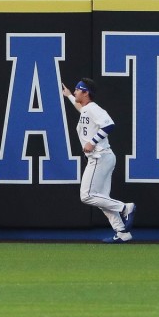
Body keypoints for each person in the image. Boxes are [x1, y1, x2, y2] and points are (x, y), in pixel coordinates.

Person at [61, 78, 135, 243]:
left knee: (86, 195)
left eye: (77, 90)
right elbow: (82, 109)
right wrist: (68, 97)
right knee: (102, 199)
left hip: (99, 157)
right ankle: (122, 232)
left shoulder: (94, 109)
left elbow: (109, 125)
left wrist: (92, 141)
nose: (75, 92)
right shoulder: (87, 109)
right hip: (104, 157)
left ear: (86, 92)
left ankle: (125, 207)